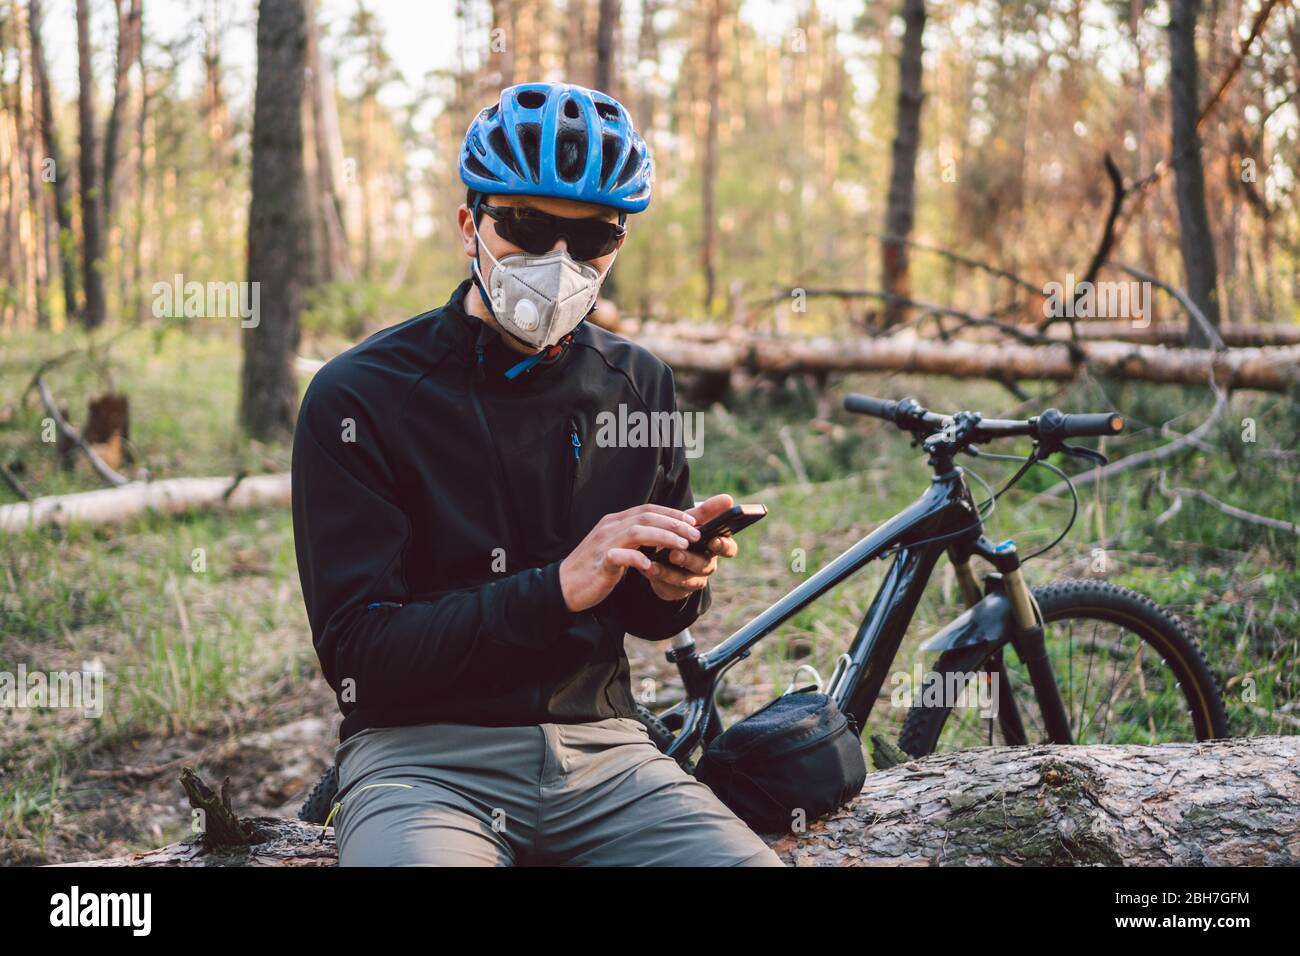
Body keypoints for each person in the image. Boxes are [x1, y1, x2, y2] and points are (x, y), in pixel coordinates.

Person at [291, 81, 782, 867]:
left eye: (591, 238)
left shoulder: (638, 382)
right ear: (469, 225)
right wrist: (556, 585)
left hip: (610, 754)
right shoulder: (360, 395)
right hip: (422, 766)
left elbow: (652, 622)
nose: (558, 262)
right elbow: (359, 655)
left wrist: (675, 586)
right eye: (526, 226)